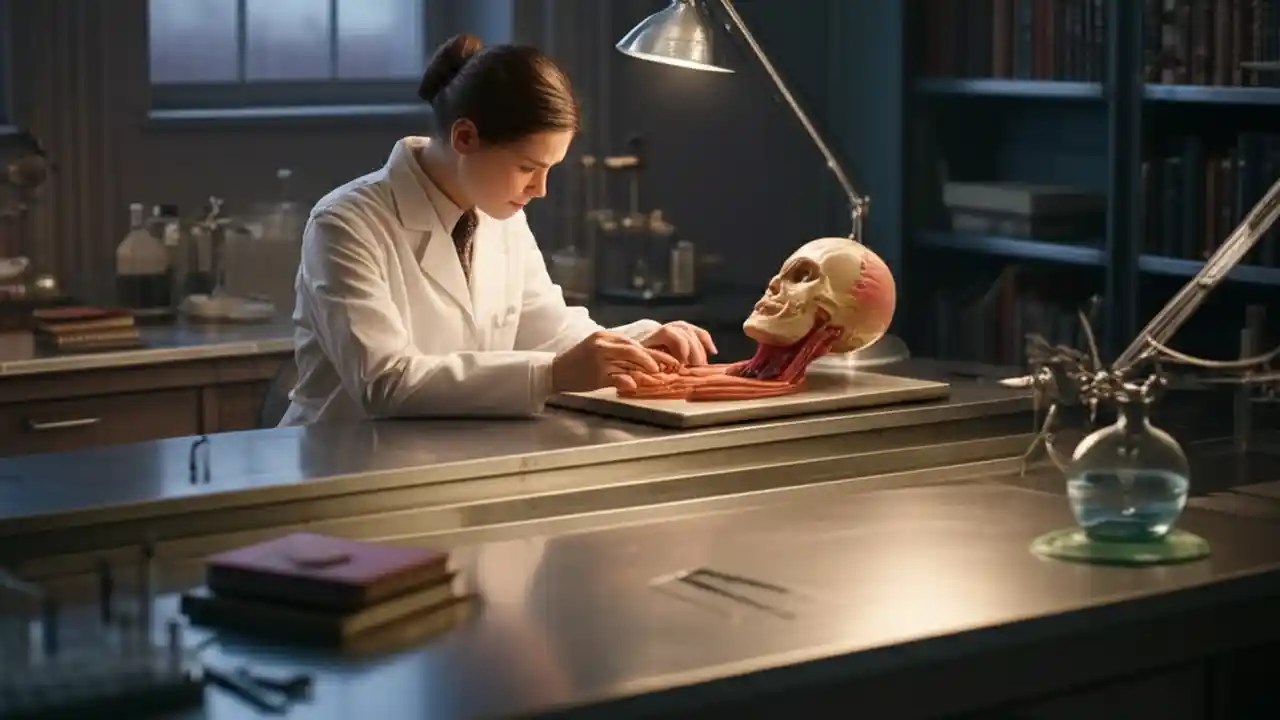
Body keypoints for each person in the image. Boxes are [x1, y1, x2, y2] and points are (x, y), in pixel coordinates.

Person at [280, 34, 716, 426]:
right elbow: (385, 381)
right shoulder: (345, 223)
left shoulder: (498, 216)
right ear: (465, 138)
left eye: (548, 170)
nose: (541, 189)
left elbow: (547, 330)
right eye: (527, 167)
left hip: (446, 458)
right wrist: (554, 374)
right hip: (340, 465)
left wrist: (635, 342)